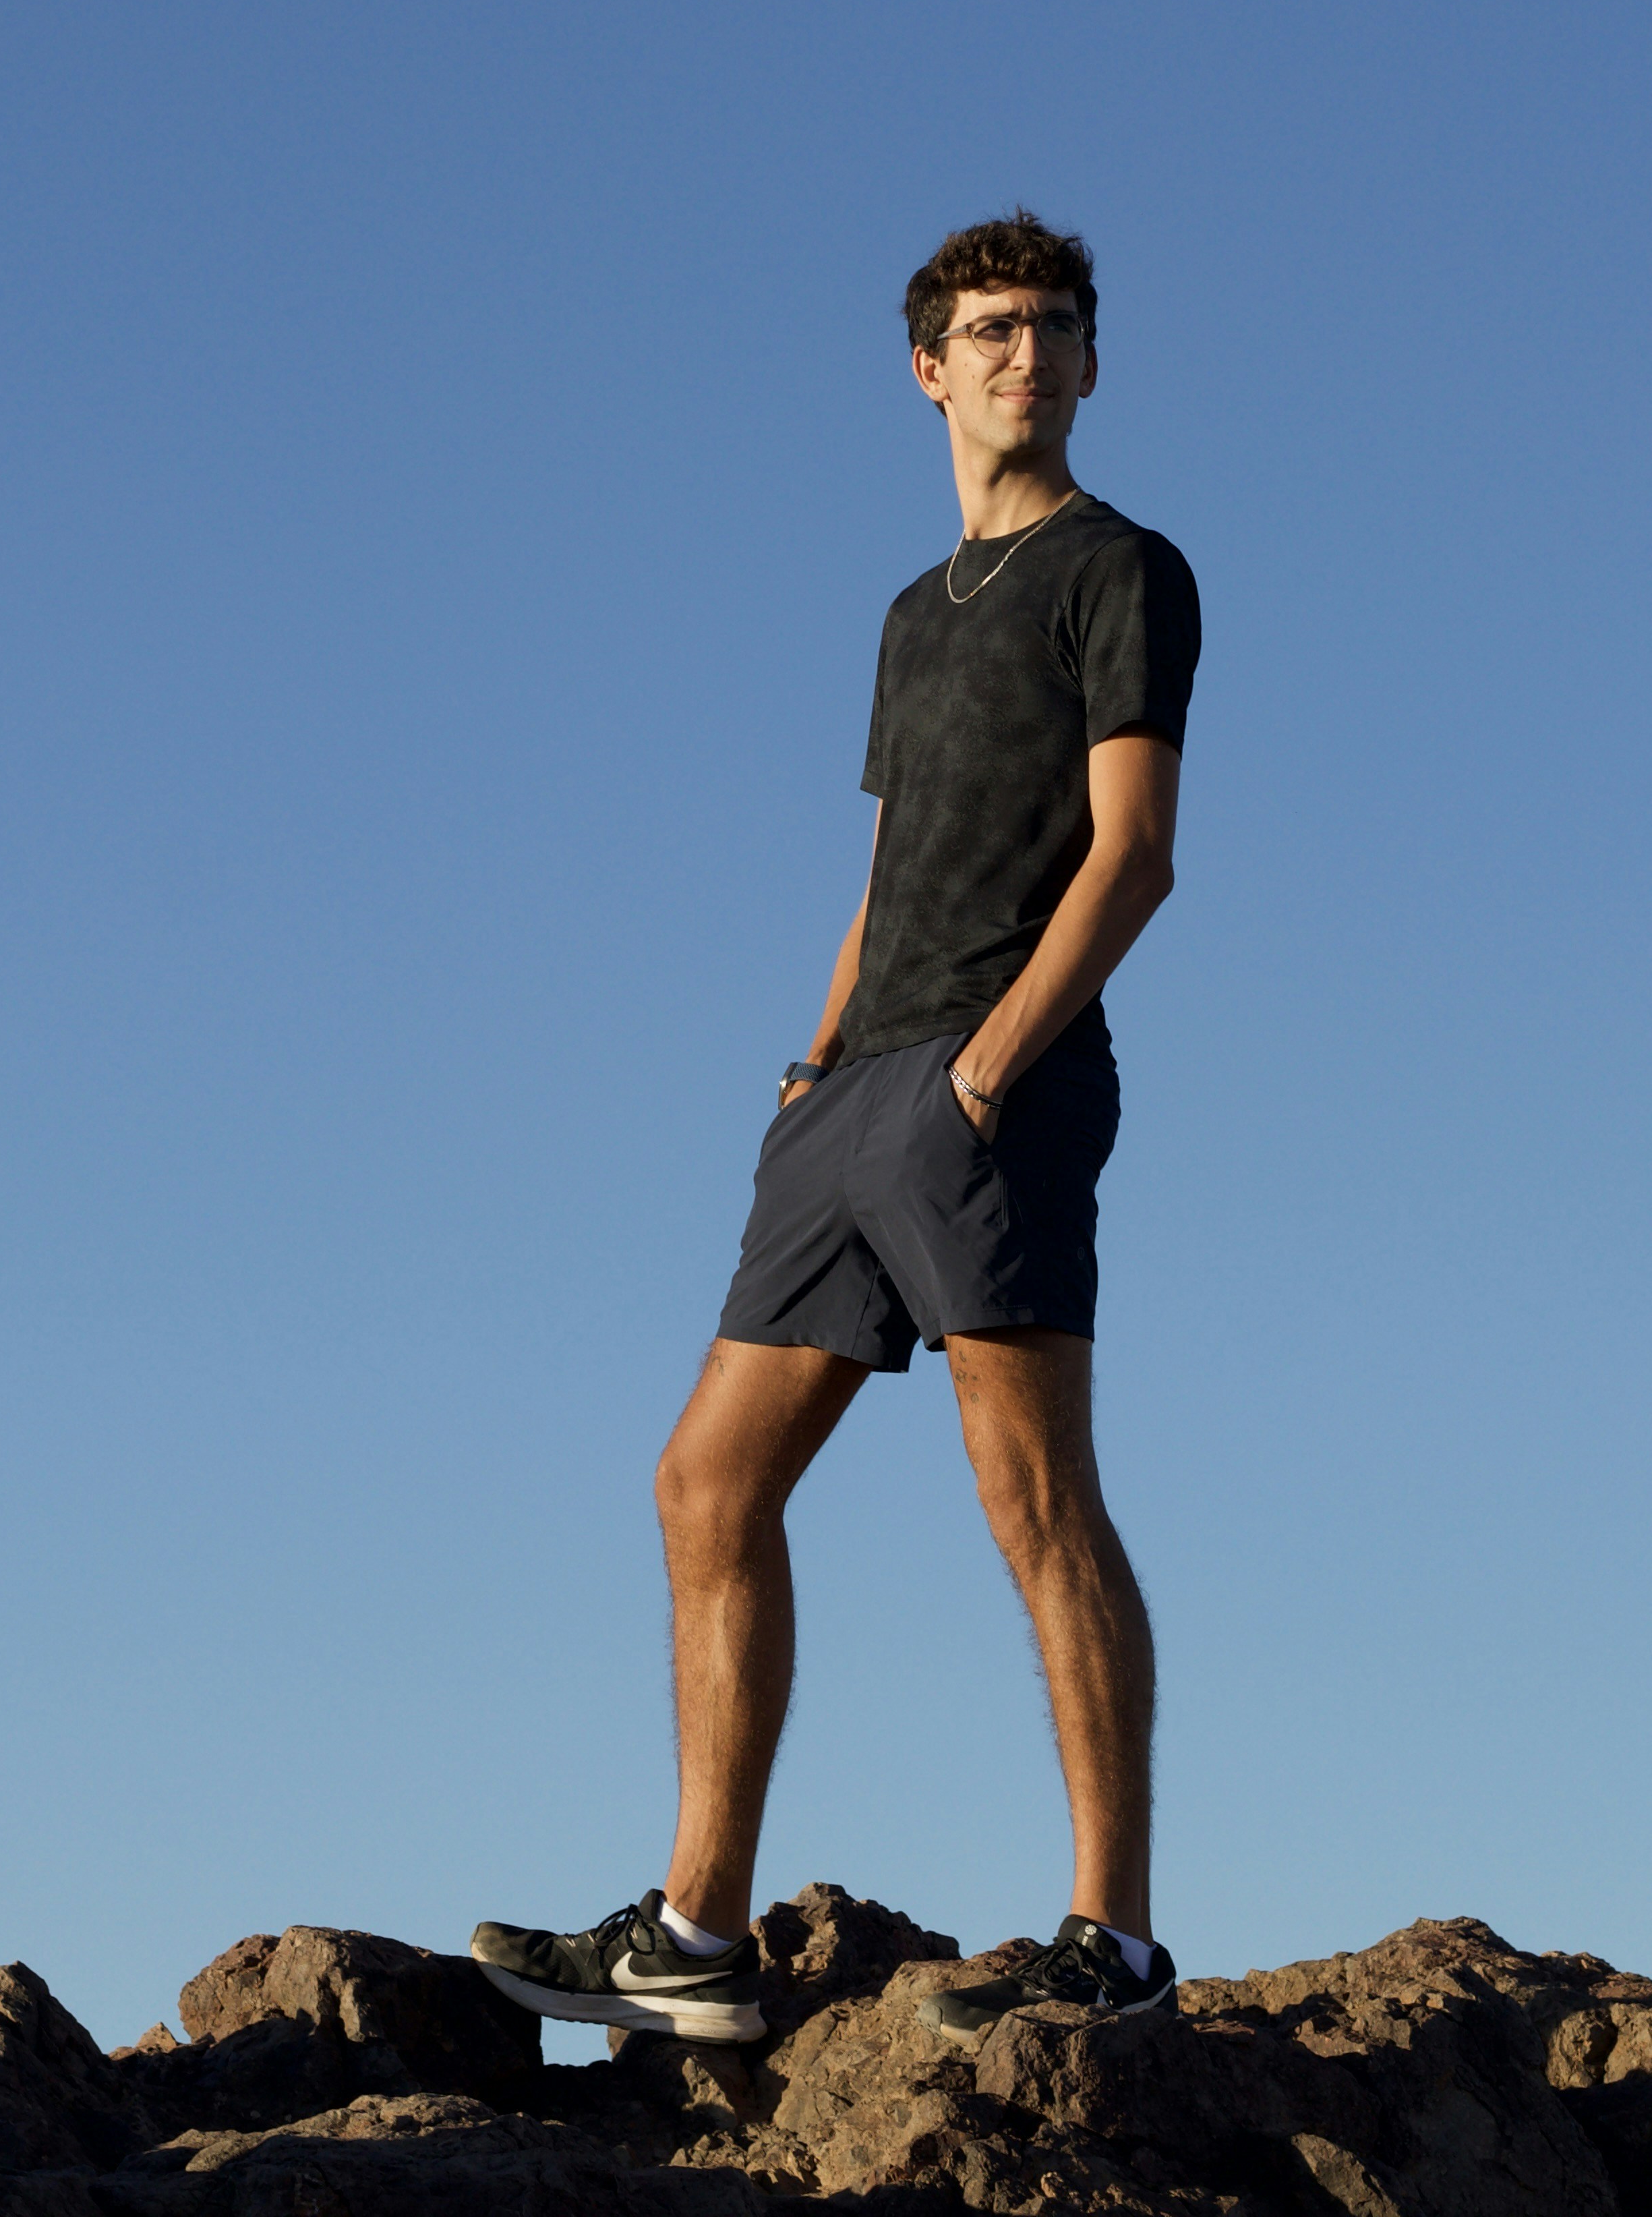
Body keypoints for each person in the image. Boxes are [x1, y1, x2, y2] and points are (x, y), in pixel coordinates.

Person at [472, 212, 1200, 2048]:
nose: (1023, 353)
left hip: (993, 1085)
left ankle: (1108, 1942)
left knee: (1032, 1498)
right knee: (704, 1484)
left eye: (1052, 327)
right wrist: (810, 1073)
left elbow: (1136, 855)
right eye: (987, 329)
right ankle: (698, 1941)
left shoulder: (1123, 570)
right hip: (852, 1091)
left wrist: (985, 1072)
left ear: (1092, 364)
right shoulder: (908, 614)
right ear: (928, 371)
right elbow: (879, 874)